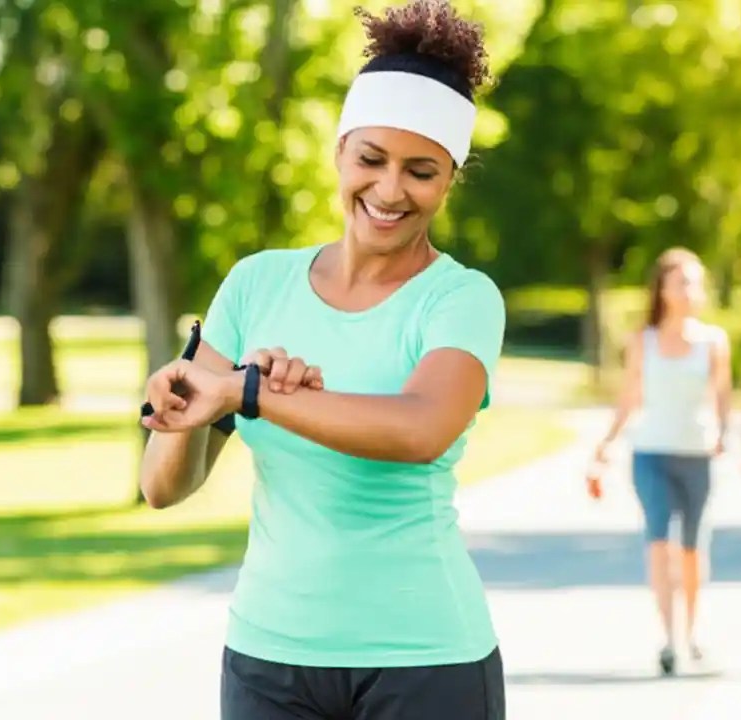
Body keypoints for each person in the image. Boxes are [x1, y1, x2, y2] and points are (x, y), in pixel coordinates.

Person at [138, 2, 507, 717]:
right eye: (371, 159)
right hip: (268, 658)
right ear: (339, 150)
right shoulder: (255, 283)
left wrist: (255, 394)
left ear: (449, 179)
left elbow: (420, 428)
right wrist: (189, 403)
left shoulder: (461, 299)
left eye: (421, 171)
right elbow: (161, 487)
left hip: (423, 659)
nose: (390, 190)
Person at [589, 248, 731, 675]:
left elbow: (722, 395)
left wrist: (724, 432)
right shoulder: (643, 340)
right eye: (679, 282)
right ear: (663, 290)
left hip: (696, 454)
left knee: (690, 549)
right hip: (650, 452)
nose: (687, 290)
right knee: (660, 542)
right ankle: (670, 640)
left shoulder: (713, 342)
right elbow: (630, 395)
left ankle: (692, 632)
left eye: (693, 282)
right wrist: (608, 444)